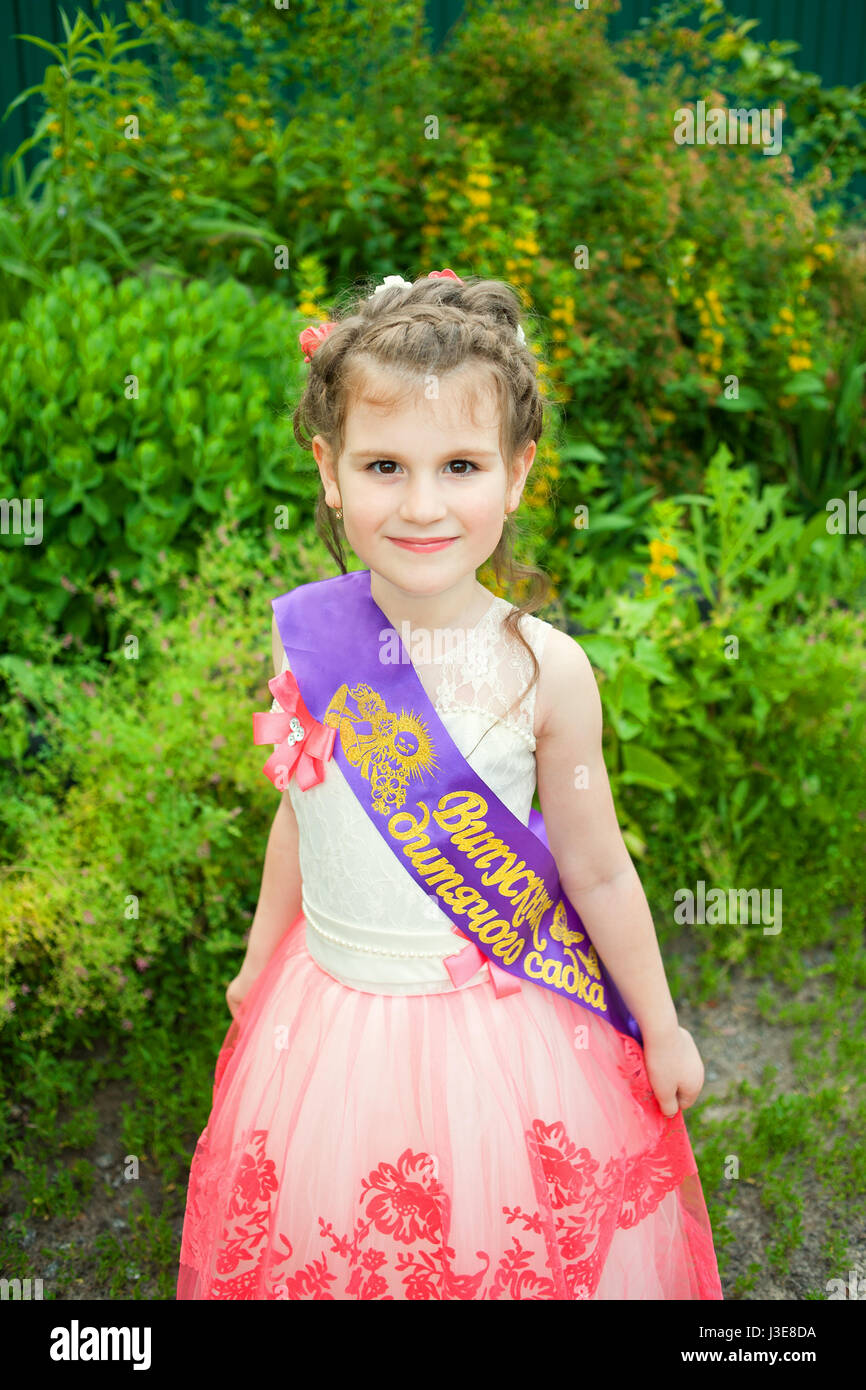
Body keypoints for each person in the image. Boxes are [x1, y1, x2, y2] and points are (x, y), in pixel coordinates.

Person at [176, 269, 723, 1300]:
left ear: (514, 475)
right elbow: (302, 815)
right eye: (385, 465)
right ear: (328, 471)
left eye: (458, 465)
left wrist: (660, 1022)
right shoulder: (311, 643)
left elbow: (598, 871)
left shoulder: (544, 669)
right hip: (329, 1024)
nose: (421, 504)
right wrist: (258, 958)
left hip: (502, 1038)